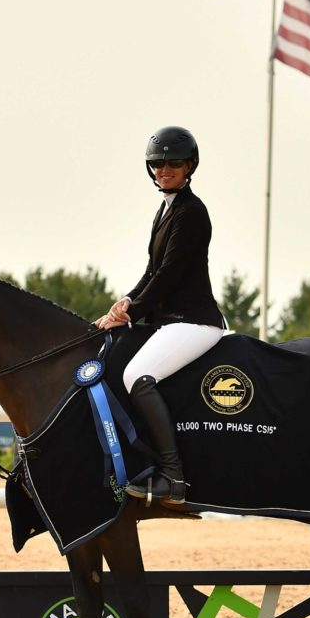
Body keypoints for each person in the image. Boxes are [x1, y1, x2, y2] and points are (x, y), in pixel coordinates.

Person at [94, 126, 225, 504]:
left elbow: (169, 276)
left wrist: (134, 310)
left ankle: (174, 477)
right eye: (158, 163)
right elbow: (152, 271)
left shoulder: (192, 212)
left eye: (174, 163)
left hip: (195, 321)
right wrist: (123, 303)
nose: (164, 169)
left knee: (137, 375)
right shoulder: (166, 209)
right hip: (170, 320)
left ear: (189, 166)